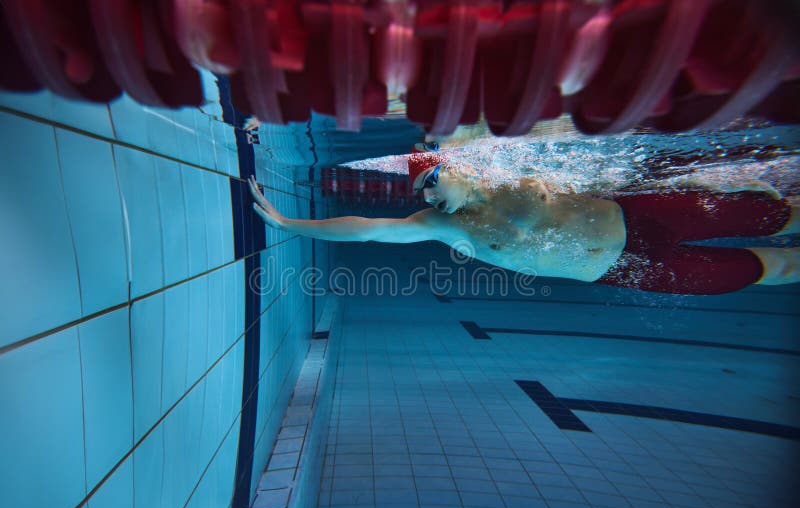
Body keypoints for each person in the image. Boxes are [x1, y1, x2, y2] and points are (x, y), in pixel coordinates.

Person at [248, 146, 799, 295]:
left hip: (645, 216)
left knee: (775, 213)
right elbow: (368, 228)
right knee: (769, 270)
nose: (431, 199)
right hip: (624, 271)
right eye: (422, 194)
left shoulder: (514, 172)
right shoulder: (446, 227)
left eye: (432, 182)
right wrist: (290, 222)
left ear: (454, 165)